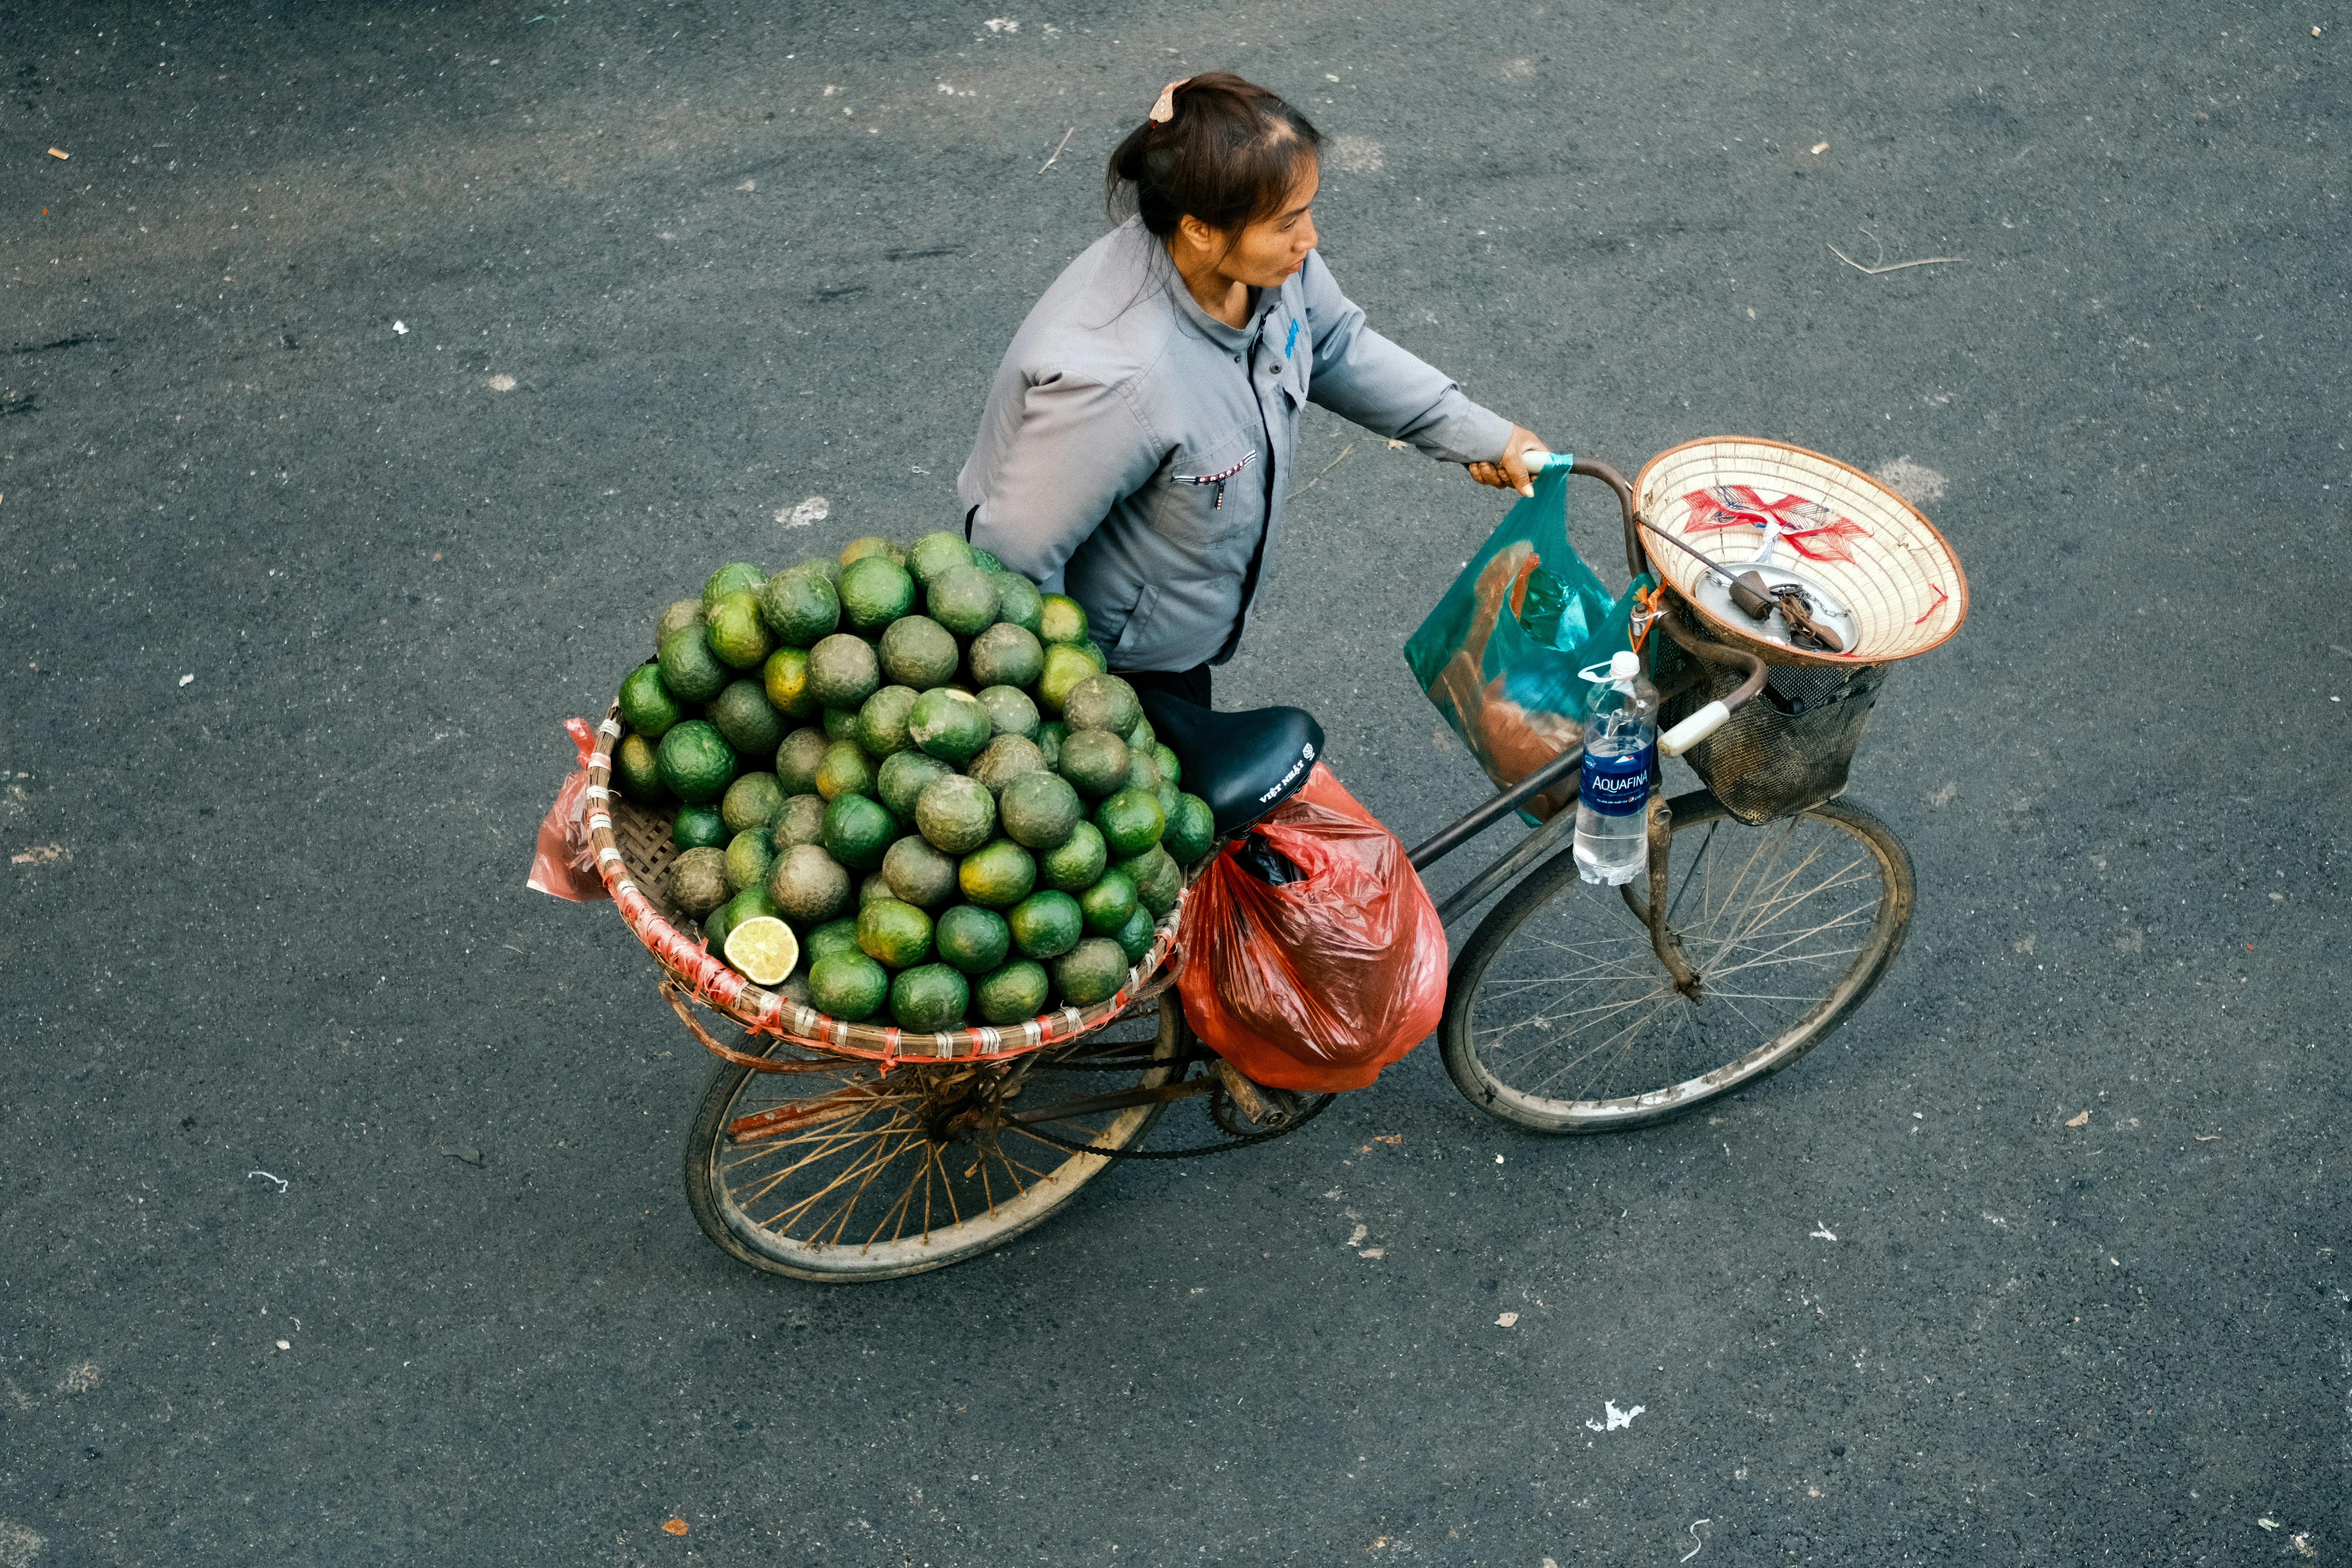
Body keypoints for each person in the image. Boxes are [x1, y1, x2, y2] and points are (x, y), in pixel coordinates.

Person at [957, 72, 1548, 710]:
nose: (1311, 239)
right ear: (1201, 229)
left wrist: (1483, 434)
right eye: (1288, 222)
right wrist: (1073, 711)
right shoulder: (1116, 383)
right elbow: (1011, 563)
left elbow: (1335, 346)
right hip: (1113, 679)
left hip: (1176, 647)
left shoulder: (1267, 266)